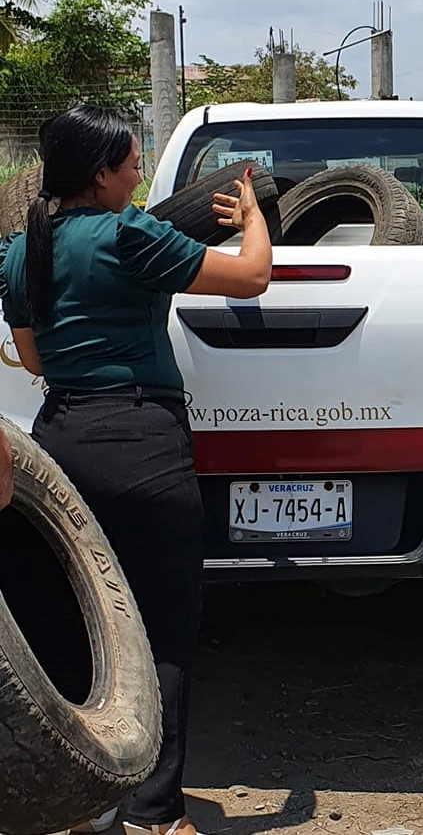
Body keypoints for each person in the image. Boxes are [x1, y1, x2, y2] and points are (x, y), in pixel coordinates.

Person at [0, 104, 272, 835]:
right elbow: (251, 279)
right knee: (160, 632)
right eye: (128, 167)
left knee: (68, 626)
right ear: (100, 174)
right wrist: (251, 214)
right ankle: (154, 816)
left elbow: (32, 360)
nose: (136, 180)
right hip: (143, 445)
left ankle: (76, 807)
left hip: (61, 446)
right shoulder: (130, 233)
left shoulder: (20, 250)